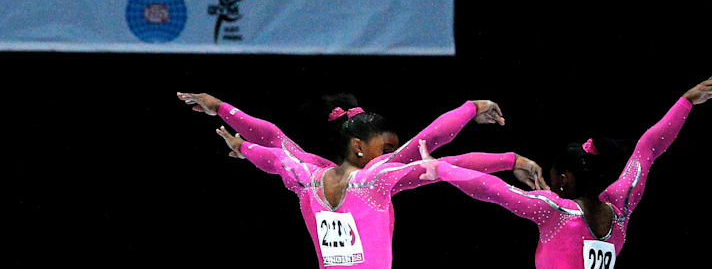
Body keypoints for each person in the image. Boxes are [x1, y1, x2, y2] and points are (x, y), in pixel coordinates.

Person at [177, 92, 548, 268]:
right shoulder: (377, 179)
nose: (389, 150)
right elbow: (435, 148)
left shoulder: (306, 177)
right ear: (357, 146)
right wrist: (476, 111)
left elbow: (274, 148)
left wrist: (235, 134)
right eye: (382, 145)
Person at [417, 68, 712, 269]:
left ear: (564, 179)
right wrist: (686, 102)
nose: (548, 182)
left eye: (552, 175)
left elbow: (492, 189)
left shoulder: (554, 210)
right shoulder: (620, 206)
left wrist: (440, 169)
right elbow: (648, 149)